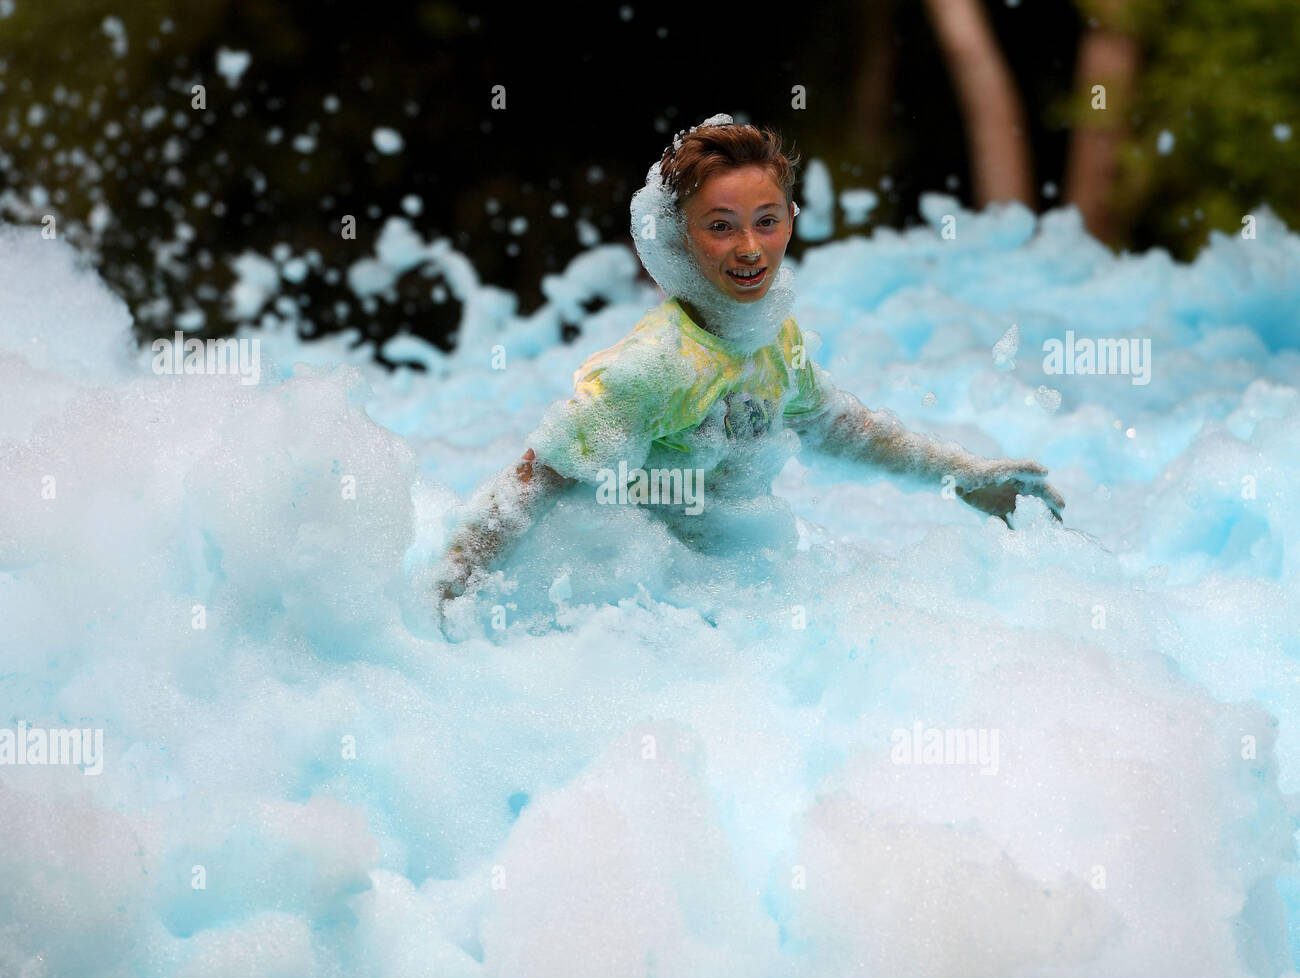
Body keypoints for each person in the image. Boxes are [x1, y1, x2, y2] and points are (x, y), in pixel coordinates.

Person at [432, 114, 1064, 629]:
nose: (750, 249)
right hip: (631, 612)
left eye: (767, 222)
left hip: (730, 597)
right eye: (720, 227)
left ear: (791, 219)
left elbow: (841, 428)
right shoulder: (657, 366)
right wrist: (445, 602)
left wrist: (965, 476)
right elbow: (531, 483)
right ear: (680, 238)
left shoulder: (769, 340)